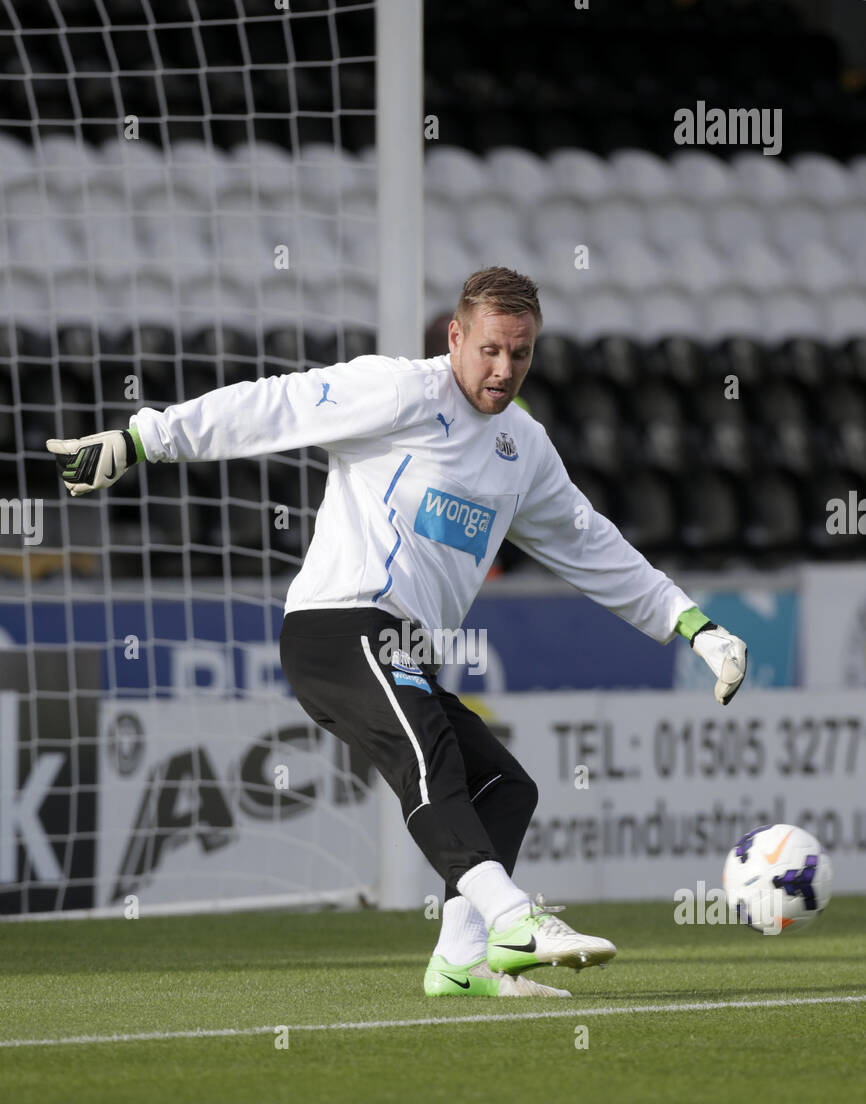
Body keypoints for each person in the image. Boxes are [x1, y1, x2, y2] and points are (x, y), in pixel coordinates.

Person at [47, 266, 748, 998]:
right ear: (455, 336)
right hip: (338, 622)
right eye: (489, 350)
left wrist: (692, 625)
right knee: (431, 755)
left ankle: (461, 960)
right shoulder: (402, 391)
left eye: (521, 353)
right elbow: (276, 405)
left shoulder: (523, 448)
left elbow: (590, 543)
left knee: (507, 786)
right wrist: (143, 437)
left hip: (402, 649)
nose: (504, 369)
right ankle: (513, 917)